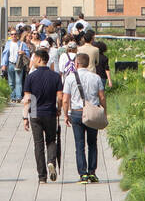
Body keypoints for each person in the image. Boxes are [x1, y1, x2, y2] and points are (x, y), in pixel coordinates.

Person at [61, 51, 106, 184]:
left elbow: (65, 99)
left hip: (77, 112)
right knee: (92, 143)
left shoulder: (70, 78)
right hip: (92, 113)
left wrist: (66, 114)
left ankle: (83, 174)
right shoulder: (96, 77)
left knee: (79, 145)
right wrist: (104, 111)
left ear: (76, 63)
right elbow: (102, 97)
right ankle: (92, 172)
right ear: (88, 64)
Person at [21, 48, 63, 182]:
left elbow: (27, 99)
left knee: (38, 144)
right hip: (50, 111)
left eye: (33, 58)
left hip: (34, 112)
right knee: (51, 140)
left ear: (39, 59)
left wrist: (25, 118)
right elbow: (60, 97)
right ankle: (51, 162)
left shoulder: (30, 77)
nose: (32, 61)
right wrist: (59, 109)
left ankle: (42, 176)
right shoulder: (55, 76)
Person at [2, 27, 27, 102]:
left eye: (15, 34)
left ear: (17, 35)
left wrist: (23, 52)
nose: (13, 36)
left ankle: (18, 97)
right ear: (10, 35)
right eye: (12, 34)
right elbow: (5, 54)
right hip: (10, 64)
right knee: (11, 82)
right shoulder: (8, 43)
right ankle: (12, 97)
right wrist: (4, 64)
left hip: (19, 64)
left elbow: (27, 52)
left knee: (18, 81)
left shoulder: (22, 43)